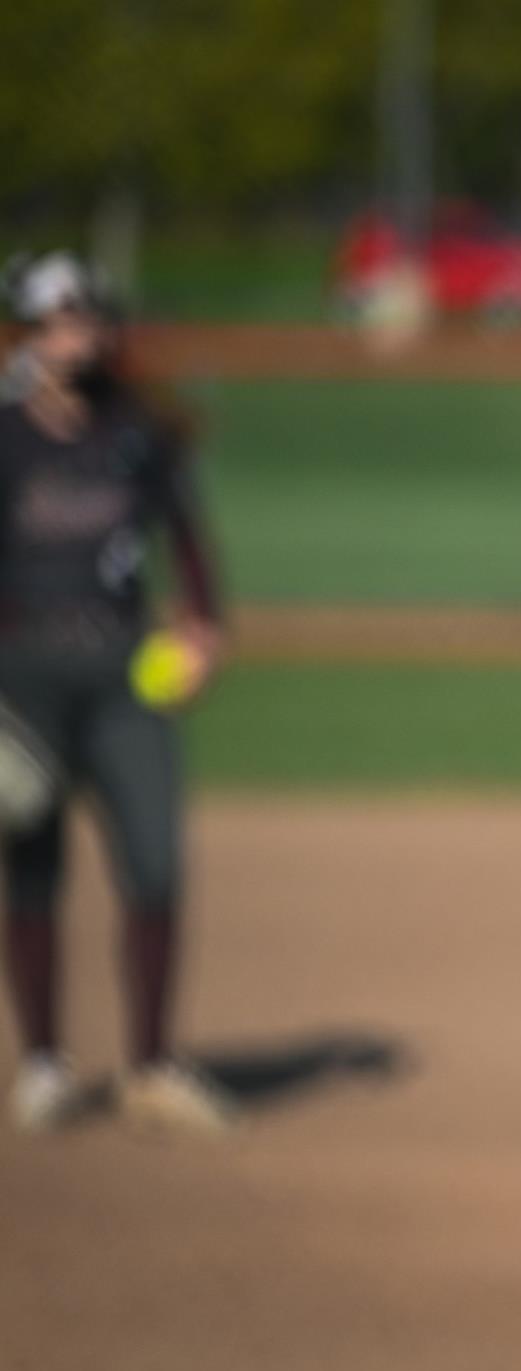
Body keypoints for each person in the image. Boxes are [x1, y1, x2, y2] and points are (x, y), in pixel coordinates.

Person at [0, 252, 232, 1134]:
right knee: (33, 869)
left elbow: (189, 538)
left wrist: (205, 626)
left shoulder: (137, 432)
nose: (74, 337)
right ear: (26, 333)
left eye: (86, 319)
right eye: (55, 322)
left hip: (126, 676)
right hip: (22, 679)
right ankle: (46, 1066)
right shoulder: (6, 437)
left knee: (155, 865)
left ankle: (150, 1064)